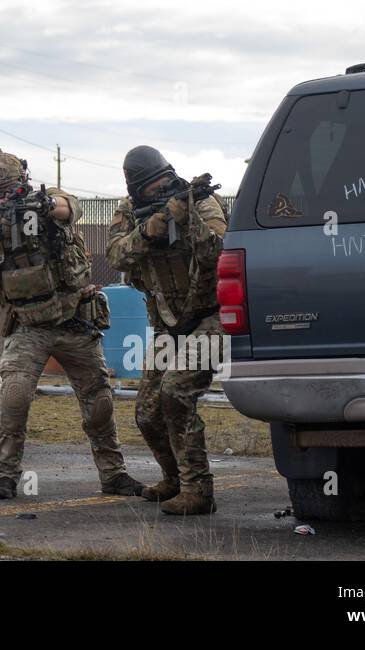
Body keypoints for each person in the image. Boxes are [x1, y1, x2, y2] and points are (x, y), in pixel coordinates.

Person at [0, 147, 145, 501]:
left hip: (73, 318)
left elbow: (70, 207)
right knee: (14, 399)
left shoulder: (46, 200)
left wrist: (44, 207)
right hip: (27, 326)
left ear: (24, 181)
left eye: (12, 189)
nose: (7, 197)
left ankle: (113, 474)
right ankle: (5, 477)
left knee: (99, 402)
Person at [106, 145, 227, 515]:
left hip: (210, 318)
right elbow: (115, 254)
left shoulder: (200, 202)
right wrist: (153, 229)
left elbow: (218, 254)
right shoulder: (130, 212)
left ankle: (198, 490)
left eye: (162, 182)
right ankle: (175, 480)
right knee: (147, 412)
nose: (158, 190)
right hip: (167, 325)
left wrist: (184, 218)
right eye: (149, 187)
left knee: (175, 393)